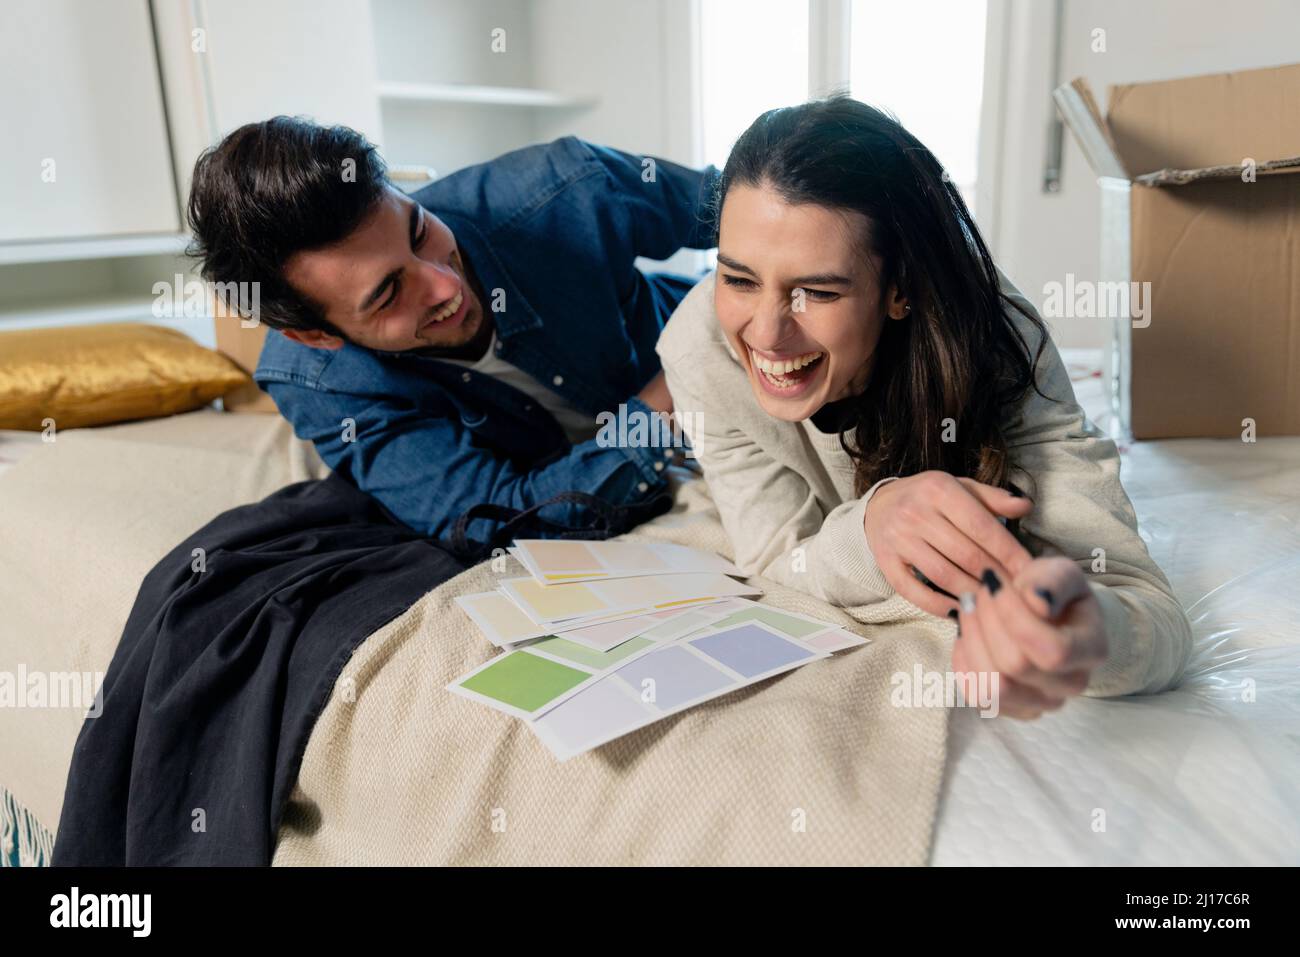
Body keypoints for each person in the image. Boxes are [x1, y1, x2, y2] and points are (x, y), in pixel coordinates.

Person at [656, 96, 1192, 718]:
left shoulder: (1000, 342)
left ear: (900, 291)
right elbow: (778, 554)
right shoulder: (700, 348)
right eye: (738, 279)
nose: (767, 333)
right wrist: (873, 527)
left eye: (818, 291)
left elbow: (1151, 614)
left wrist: (1088, 631)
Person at [187, 117, 718, 548]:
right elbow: (503, 519)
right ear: (315, 336)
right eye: (388, 293)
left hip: (720, 349)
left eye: (420, 232)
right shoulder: (318, 381)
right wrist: (672, 389)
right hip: (681, 378)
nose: (445, 286)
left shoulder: (562, 188)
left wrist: (725, 327)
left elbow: (763, 203)